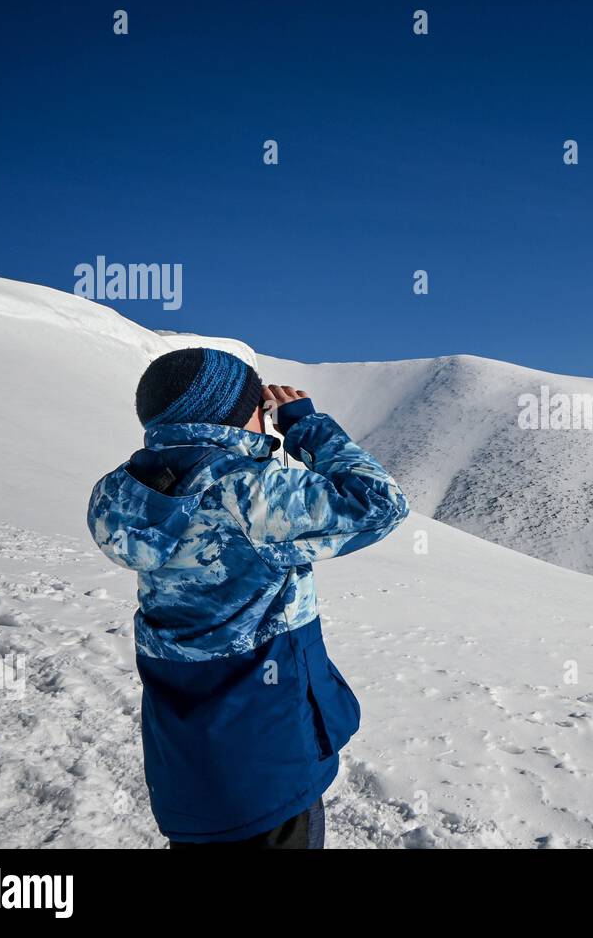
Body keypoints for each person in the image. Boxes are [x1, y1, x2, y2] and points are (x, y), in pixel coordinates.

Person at [86, 347, 409, 847]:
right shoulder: (247, 491)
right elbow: (381, 503)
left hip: (186, 769)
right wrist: (305, 426)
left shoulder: (123, 493)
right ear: (237, 416)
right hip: (268, 761)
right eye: (255, 404)